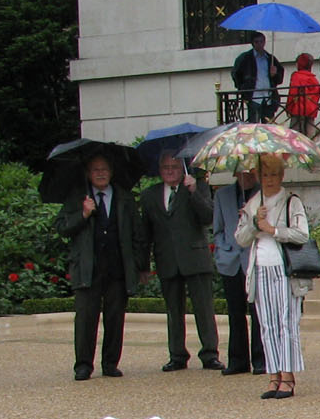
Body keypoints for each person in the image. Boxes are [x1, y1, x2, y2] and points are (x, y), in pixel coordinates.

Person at [55, 147, 147, 380]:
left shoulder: (125, 197)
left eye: (104, 169)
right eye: (95, 169)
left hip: (117, 268)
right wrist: (83, 215)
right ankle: (83, 365)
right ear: (87, 173)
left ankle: (110, 363)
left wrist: (140, 265)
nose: (100, 173)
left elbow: (138, 234)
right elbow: (62, 228)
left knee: (115, 318)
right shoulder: (77, 197)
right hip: (88, 268)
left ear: (111, 171)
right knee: (86, 319)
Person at [235, 153, 312, 399]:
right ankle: (273, 374)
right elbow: (241, 238)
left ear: (281, 176)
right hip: (260, 268)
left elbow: (302, 235)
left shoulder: (291, 202)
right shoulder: (252, 203)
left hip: (284, 269)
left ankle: (288, 375)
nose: (269, 179)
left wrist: (274, 230)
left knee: (286, 322)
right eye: (265, 174)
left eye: (273, 174)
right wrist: (254, 225)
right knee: (266, 323)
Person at [140, 148, 222, 372]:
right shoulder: (149, 195)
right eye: (165, 168)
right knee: (173, 311)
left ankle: (210, 354)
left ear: (183, 167)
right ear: (159, 170)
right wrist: (144, 266)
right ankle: (177, 355)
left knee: (204, 309)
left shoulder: (197, 187)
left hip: (195, 257)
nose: (170, 171)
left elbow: (208, 217)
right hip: (167, 259)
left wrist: (194, 191)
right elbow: (144, 233)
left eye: (174, 167)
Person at [212, 166, 264, 375]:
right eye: (242, 171)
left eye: (251, 171)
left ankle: (260, 360)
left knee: (258, 313)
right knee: (235, 313)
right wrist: (222, 252)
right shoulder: (222, 195)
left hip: (255, 259)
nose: (246, 175)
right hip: (231, 260)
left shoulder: (263, 194)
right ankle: (237, 360)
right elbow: (218, 228)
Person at [230, 32, 283, 122]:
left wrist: (274, 75)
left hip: (268, 96)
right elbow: (236, 74)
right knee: (254, 124)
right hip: (254, 96)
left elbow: (279, 78)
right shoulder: (245, 58)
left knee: (268, 124)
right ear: (253, 43)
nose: (259, 44)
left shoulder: (270, 59)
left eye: (261, 42)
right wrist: (243, 88)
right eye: (256, 42)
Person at [285, 52, 320, 134]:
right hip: (311, 109)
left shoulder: (296, 77)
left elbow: (292, 94)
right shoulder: (314, 79)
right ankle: (311, 144)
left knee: (295, 132)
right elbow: (317, 96)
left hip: (297, 109)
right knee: (310, 129)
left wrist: (288, 107)